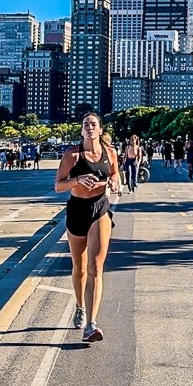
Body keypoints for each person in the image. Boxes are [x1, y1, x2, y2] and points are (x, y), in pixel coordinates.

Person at [53, 112, 120, 343]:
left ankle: (91, 324)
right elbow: (58, 186)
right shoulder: (72, 155)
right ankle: (80, 306)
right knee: (79, 268)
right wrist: (78, 180)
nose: (89, 127)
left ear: (100, 129)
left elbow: (115, 176)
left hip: (100, 208)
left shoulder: (110, 152)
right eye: (85, 125)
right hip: (77, 210)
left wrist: (112, 183)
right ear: (81, 130)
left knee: (95, 267)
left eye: (93, 124)